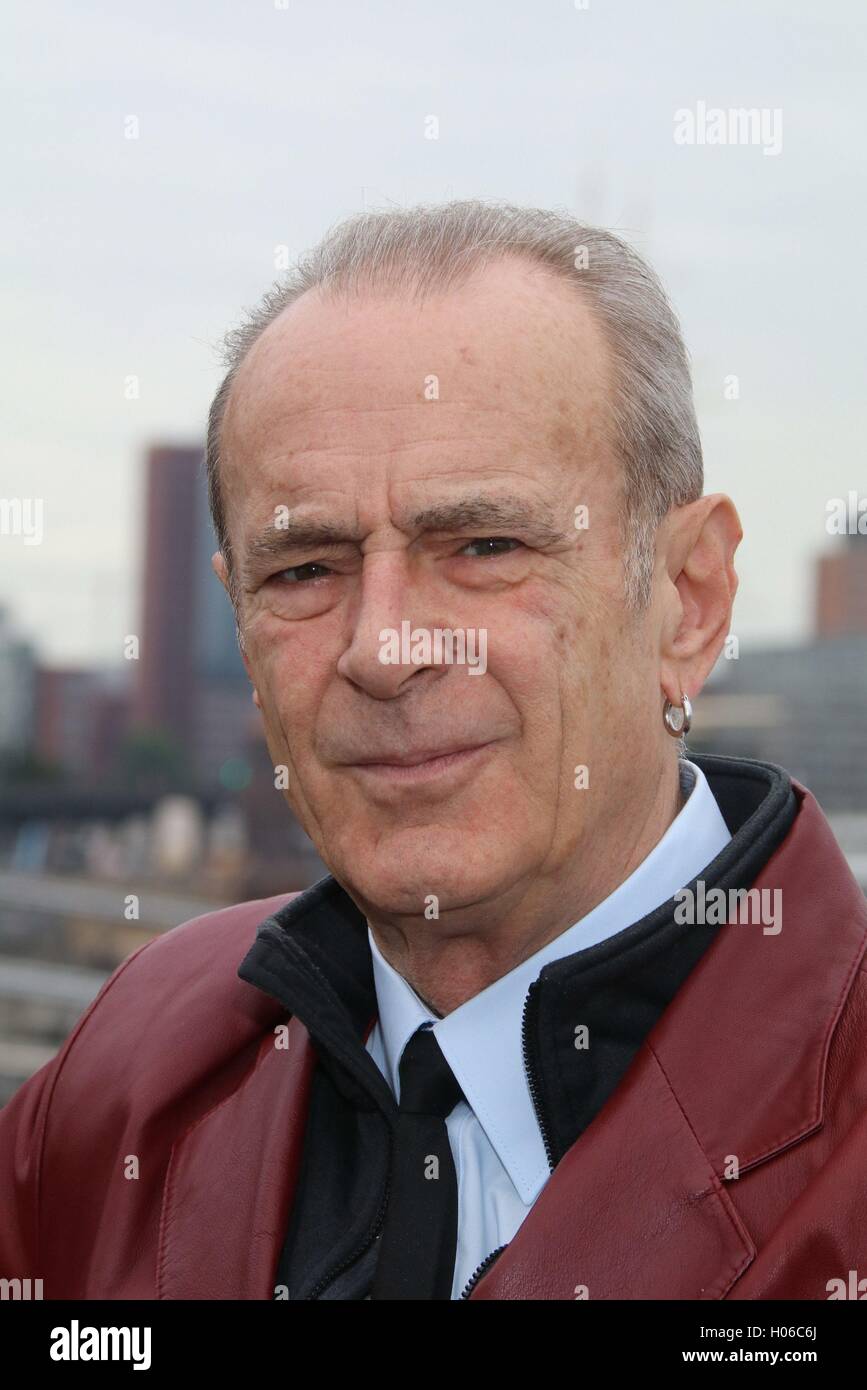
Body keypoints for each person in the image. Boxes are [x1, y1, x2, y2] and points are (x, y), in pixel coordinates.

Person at [2, 201, 866, 1300]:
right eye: (305, 569)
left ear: (689, 602)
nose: (383, 648)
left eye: (486, 545)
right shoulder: (129, 1066)